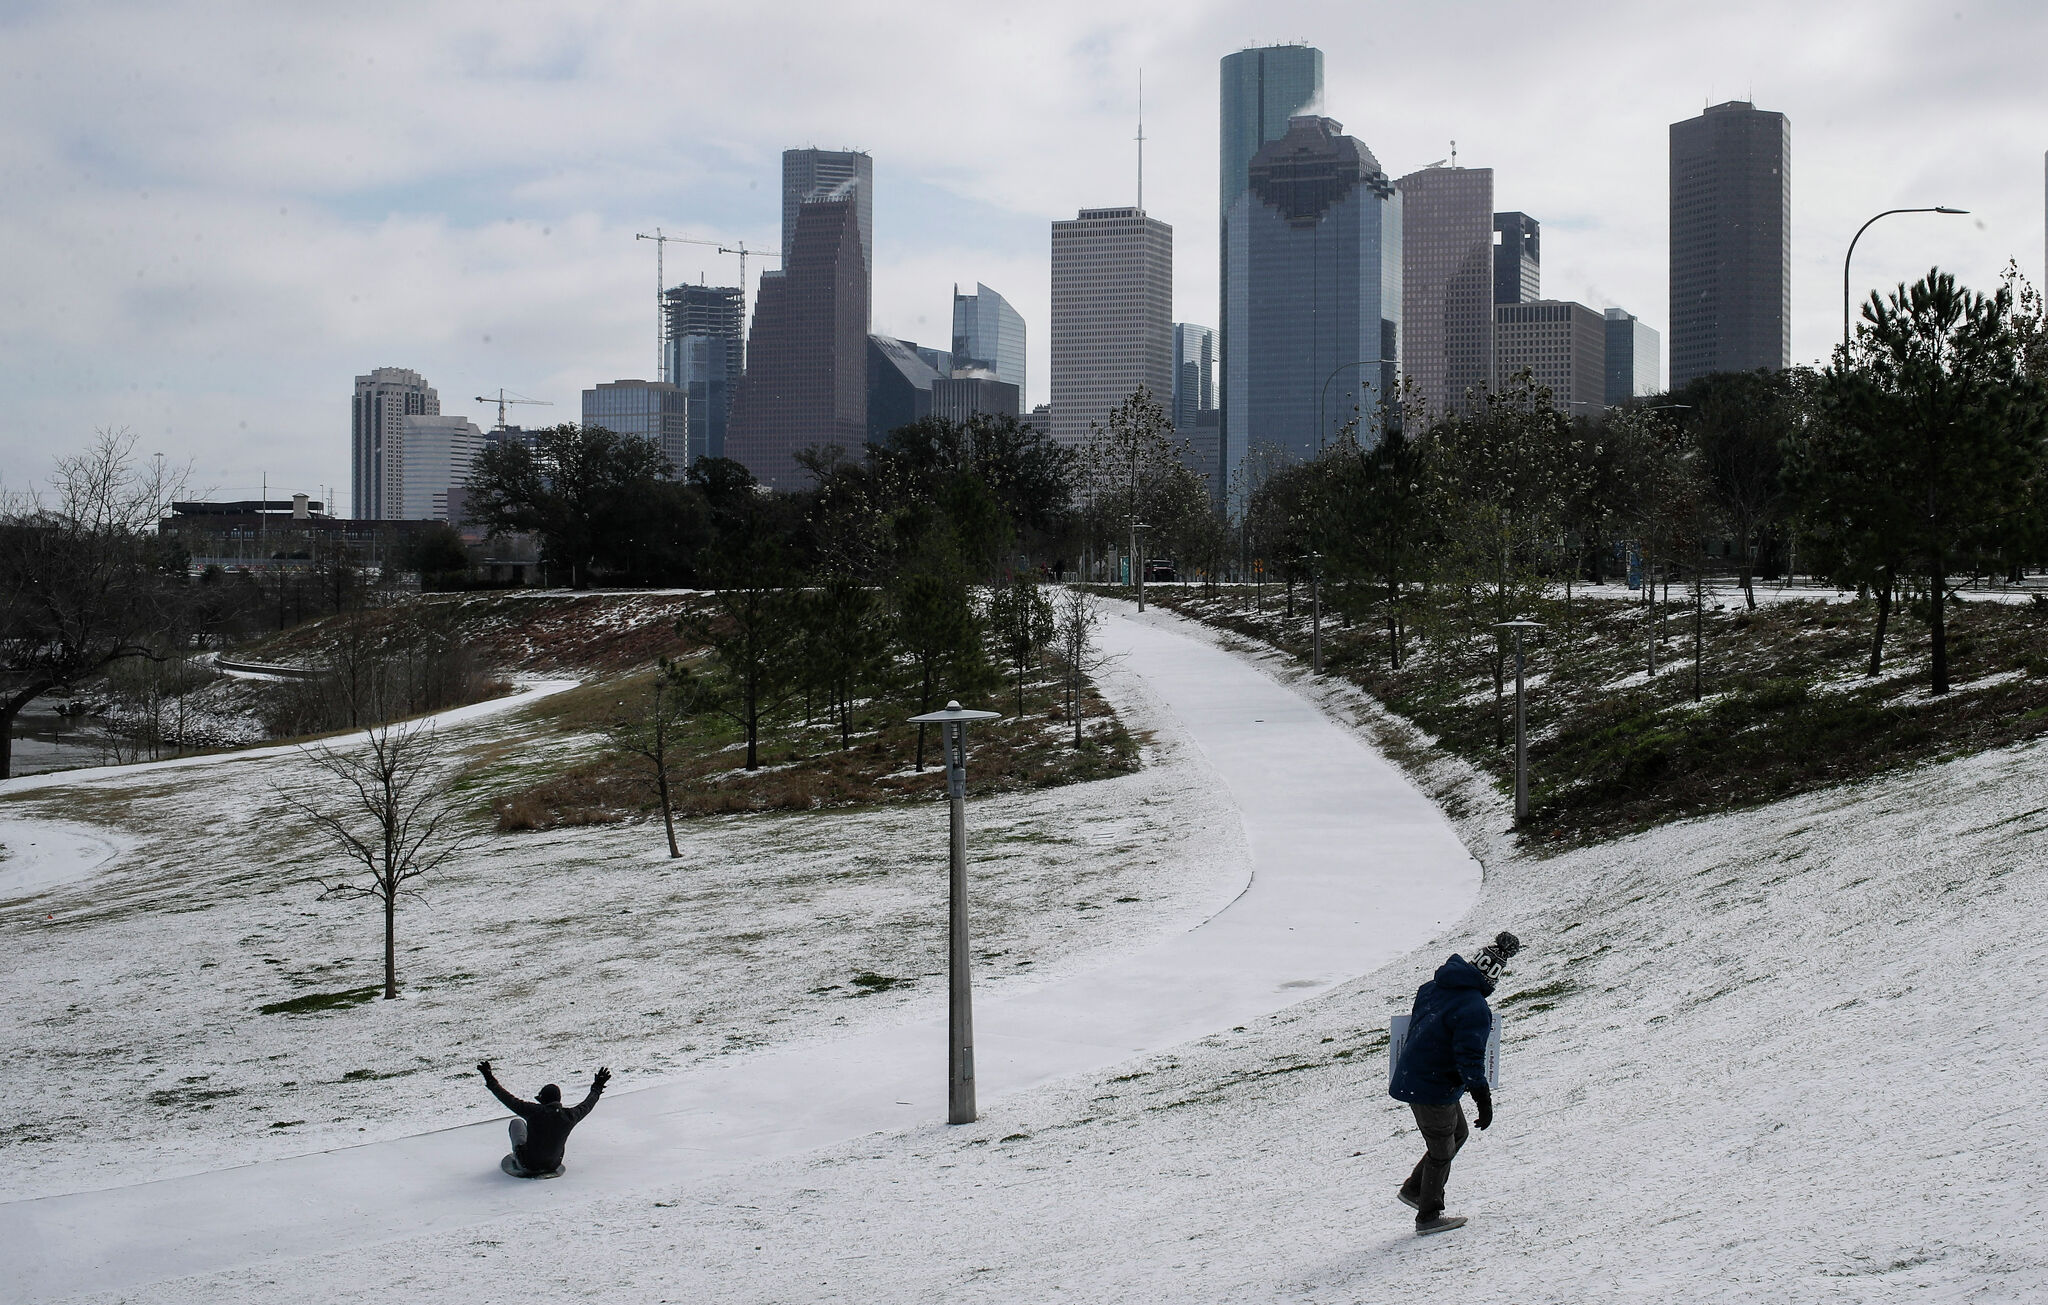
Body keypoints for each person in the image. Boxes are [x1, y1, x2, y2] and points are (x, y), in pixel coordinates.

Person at [1388, 932, 1518, 1235]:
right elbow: (1470, 1059)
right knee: (1442, 1150)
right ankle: (1428, 1217)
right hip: (1432, 1088)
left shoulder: (1433, 987)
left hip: (1417, 1077)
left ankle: (1414, 1190)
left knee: (1458, 1132)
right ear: (1493, 978)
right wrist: (1483, 1100)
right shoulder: (1474, 1008)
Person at [478, 1060, 609, 1175]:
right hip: (553, 1165)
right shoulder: (570, 1116)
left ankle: (520, 1156)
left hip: (528, 1165)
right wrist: (597, 1086)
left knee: (517, 1123)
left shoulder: (534, 1112)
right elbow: (588, 1104)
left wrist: (489, 1078)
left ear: (543, 1100)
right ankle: (547, 1158)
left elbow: (508, 1099)